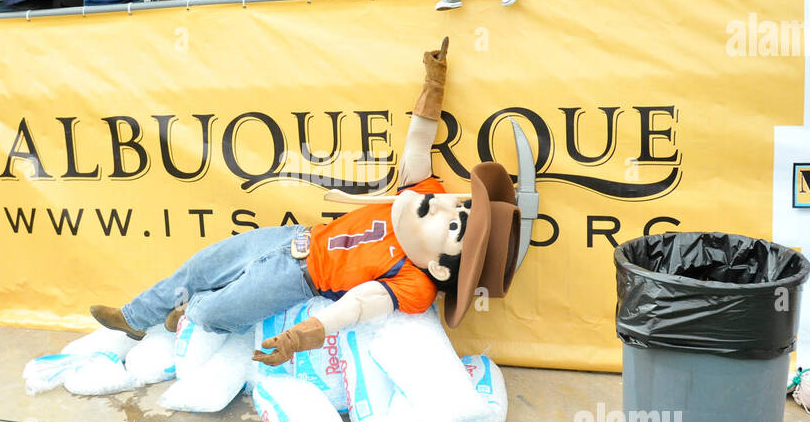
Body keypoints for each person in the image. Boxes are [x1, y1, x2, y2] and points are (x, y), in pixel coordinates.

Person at [89, 41, 522, 364]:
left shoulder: (416, 283)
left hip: (299, 280)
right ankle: (134, 316)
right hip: (294, 238)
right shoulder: (424, 192)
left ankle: (188, 316)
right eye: (464, 205)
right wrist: (434, 81)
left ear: (444, 266)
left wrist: (302, 337)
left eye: (456, 226)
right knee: (201, 266)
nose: (449, 207)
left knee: (219, 311)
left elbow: (358, 306)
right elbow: (419, 138)